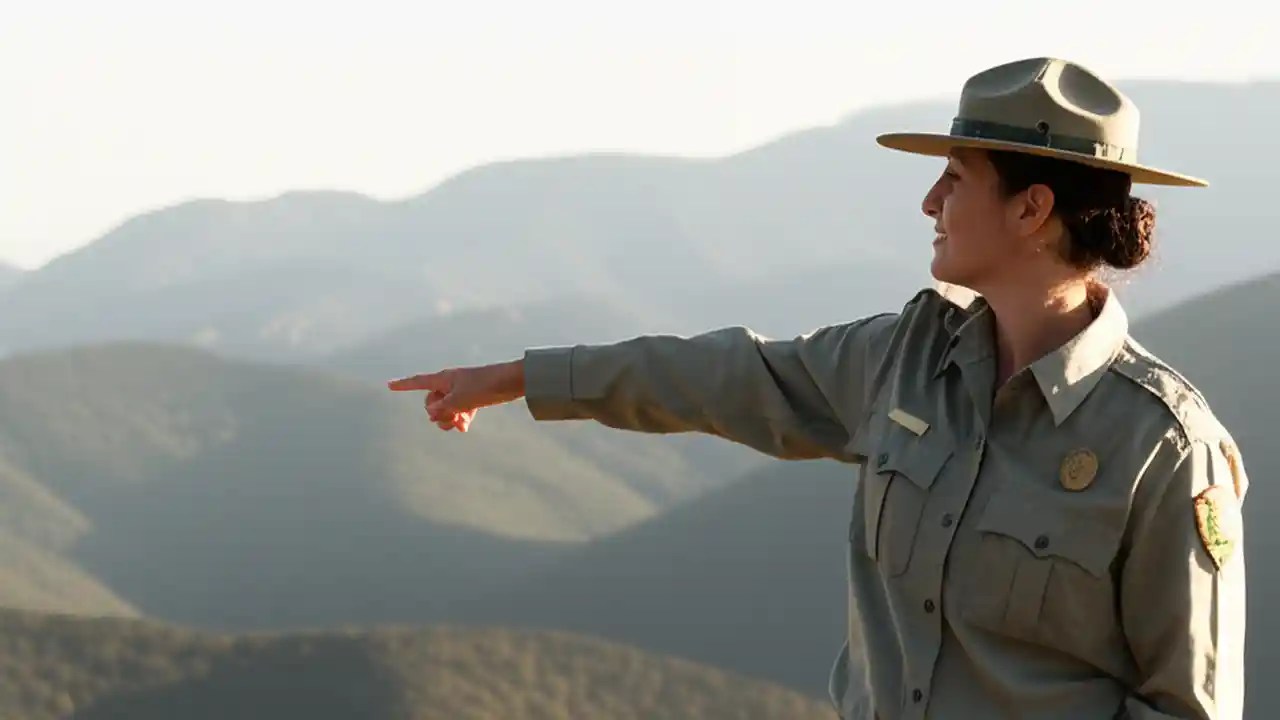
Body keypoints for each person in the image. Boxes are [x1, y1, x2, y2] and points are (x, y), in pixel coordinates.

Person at [387, 57, 1247, 719]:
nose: (928, 202)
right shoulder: (906, 359)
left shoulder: (1165, 447)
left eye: (955, 177)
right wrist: (517, 378)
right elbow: (723, 376)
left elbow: (1188, 705)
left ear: (1031, 209)